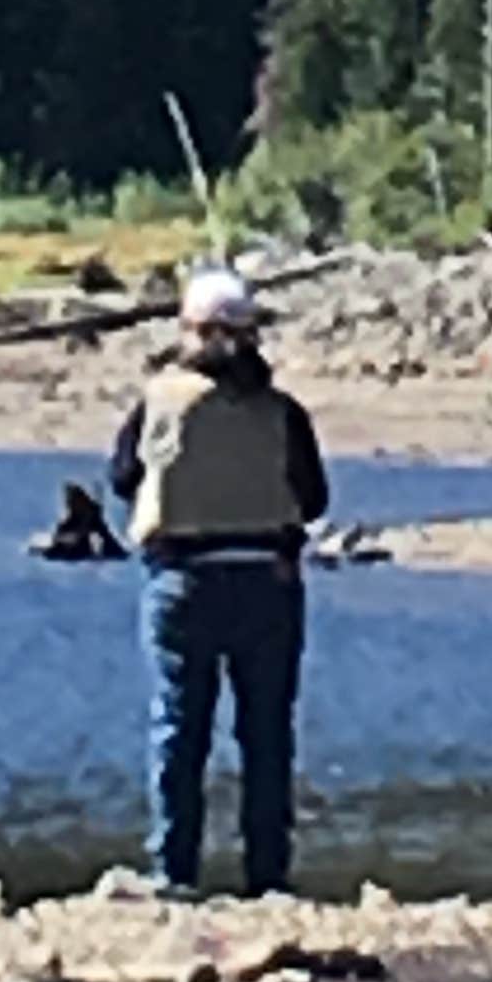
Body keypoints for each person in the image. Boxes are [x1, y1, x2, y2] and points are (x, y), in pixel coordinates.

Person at [108, 266, 329, 896]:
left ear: (192, 332)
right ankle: (269, 878)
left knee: (179, 729)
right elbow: (312, 500)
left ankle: (173, 874)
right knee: (266, 735)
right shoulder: (283, 413)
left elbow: (123, 478)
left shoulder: (157, 402)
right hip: (268, 583)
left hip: (183, 582)